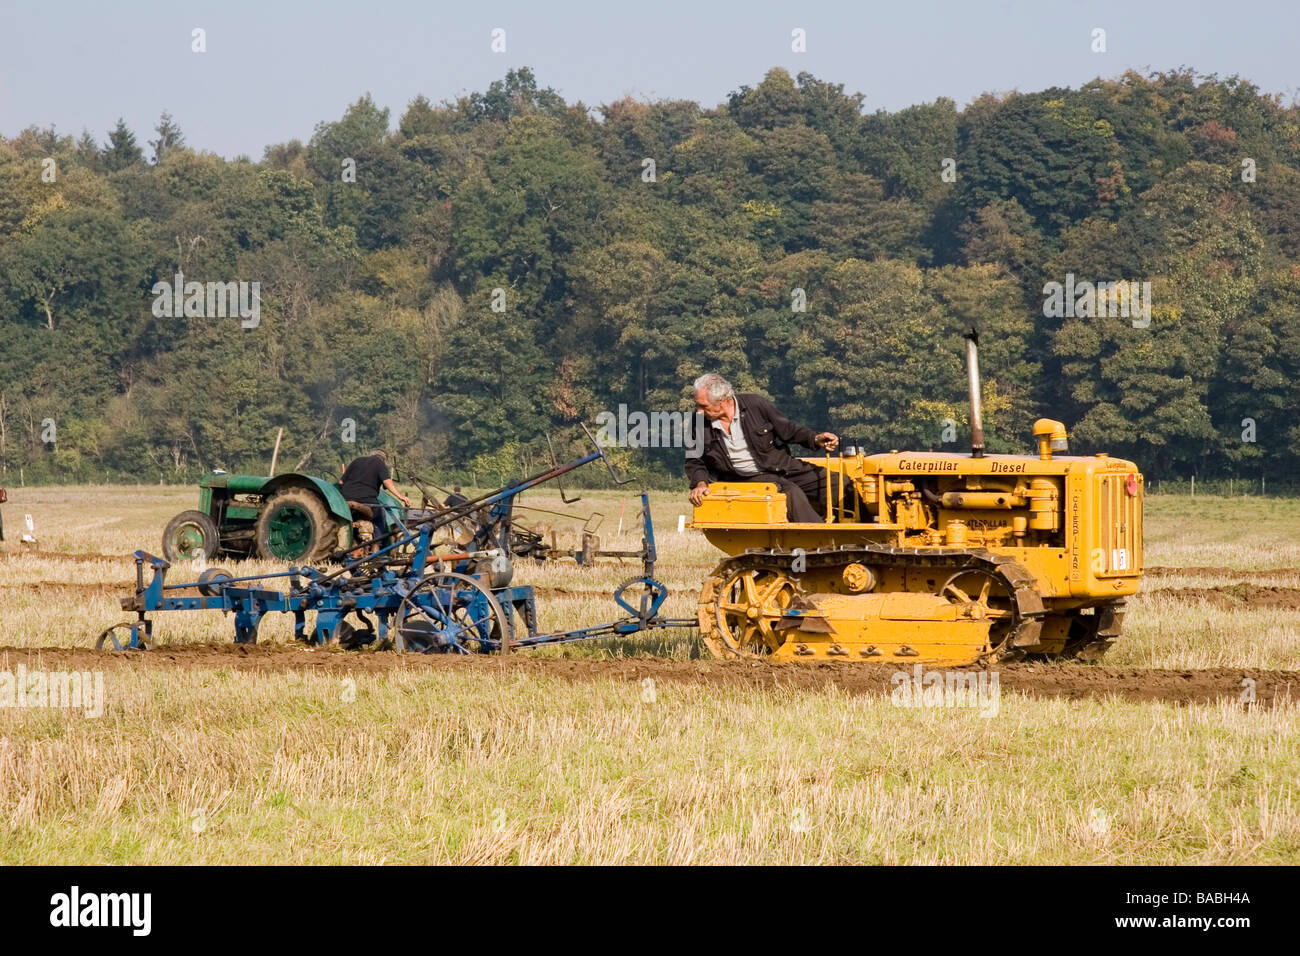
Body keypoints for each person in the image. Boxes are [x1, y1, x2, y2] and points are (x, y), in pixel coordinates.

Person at [685, 373, 841, 523]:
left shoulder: (756, 405)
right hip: (745, 478)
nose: (699, 411)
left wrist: (815, 438)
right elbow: (694, 461)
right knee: (791, 492)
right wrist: (700, 483)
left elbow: (788, 430)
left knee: (837, 482)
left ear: (722, 400)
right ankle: (820, 540)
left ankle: (860, 535)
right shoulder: (697, 422)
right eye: (697, 405)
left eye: (703, 406)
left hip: (783, 467)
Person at [340, 450, 411, 539]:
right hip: (366, 501)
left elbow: (341, 481)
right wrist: (401, 497)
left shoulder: (357, 460)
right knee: (380, 515)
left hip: (345, 500)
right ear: (384, 459)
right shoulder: (380, 464)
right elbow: (387, 482)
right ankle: (377, 545)